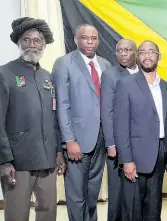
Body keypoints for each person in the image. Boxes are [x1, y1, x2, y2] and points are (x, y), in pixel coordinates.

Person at [0, 17, 66, 221]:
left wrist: (58, 151)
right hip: (17, 162)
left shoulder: (47, 76)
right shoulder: (5, 73)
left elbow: (53, 117)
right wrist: (4, 161)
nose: (32, 45)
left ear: (44, 45)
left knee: (48, 212)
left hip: (47, 159)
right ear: (19, 43)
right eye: (27, 40)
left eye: (37, 41)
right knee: (17, 214)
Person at [52, 24, 112, 221]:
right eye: (85, 38)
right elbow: (62, 104)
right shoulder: (64, 63)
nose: (90, 42)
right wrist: (69, 140)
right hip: (77, 140)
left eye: (93, 38)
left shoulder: (105, 65)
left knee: (93, 193)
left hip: (101, 139)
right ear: (76, 39)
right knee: (77, 195)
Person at [114, 40, 167, 221]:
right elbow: (121, 125)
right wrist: (127, 160)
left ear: (159, 57)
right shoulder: (126, 84)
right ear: (137, 57)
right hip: (135, 157)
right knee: (133, 210)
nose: (147, 55)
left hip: (160, 154)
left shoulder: (166, 86)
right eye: (143, 52)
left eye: (151, 52)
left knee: (154, 208)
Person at [101, 39, 138, 221]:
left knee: (135, 191)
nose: (123, 54)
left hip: (139, 142)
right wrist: (111, 143)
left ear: (136, 53)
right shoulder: (110, 75)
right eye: (119, 50)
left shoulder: (144, 73)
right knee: (117, 192)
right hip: (117, 143)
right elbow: (106, 111)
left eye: (127, 50)